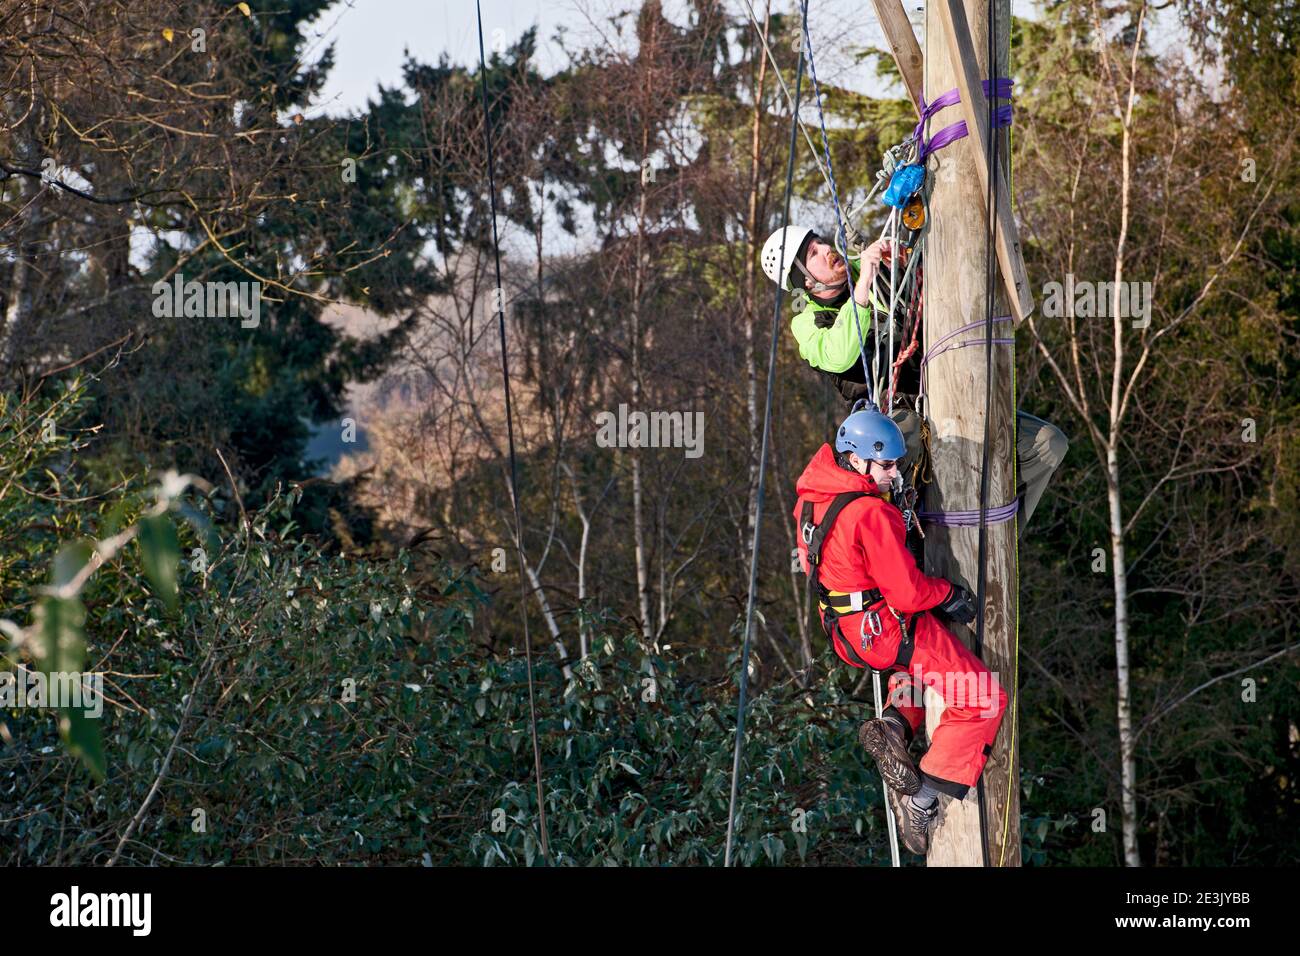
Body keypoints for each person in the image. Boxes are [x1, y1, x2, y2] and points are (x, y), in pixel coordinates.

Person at [793, 402, 1007, 854]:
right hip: (886, 627)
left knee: (912, 670)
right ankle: (922, 800)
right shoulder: (870, 513)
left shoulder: (813, 498)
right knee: (983, 699)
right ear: (856, 459)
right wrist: (948, 593)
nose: (894, 473)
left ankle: (895, 725)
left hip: (845, 629)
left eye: (896, 463)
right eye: (886, 465)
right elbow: (909, 595)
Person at [763, 224, 1068, 530]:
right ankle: (910, 540)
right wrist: (864, 284)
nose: (827, 249)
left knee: (1048, 444)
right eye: (814, 253)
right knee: (902, 447)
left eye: (821, 243)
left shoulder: (878, 269)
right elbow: (839, 355)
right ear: (805, 281)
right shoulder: (807, 322)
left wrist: (906, 261)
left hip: (948, 387)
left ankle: (1002, 531)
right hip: (894, 417)